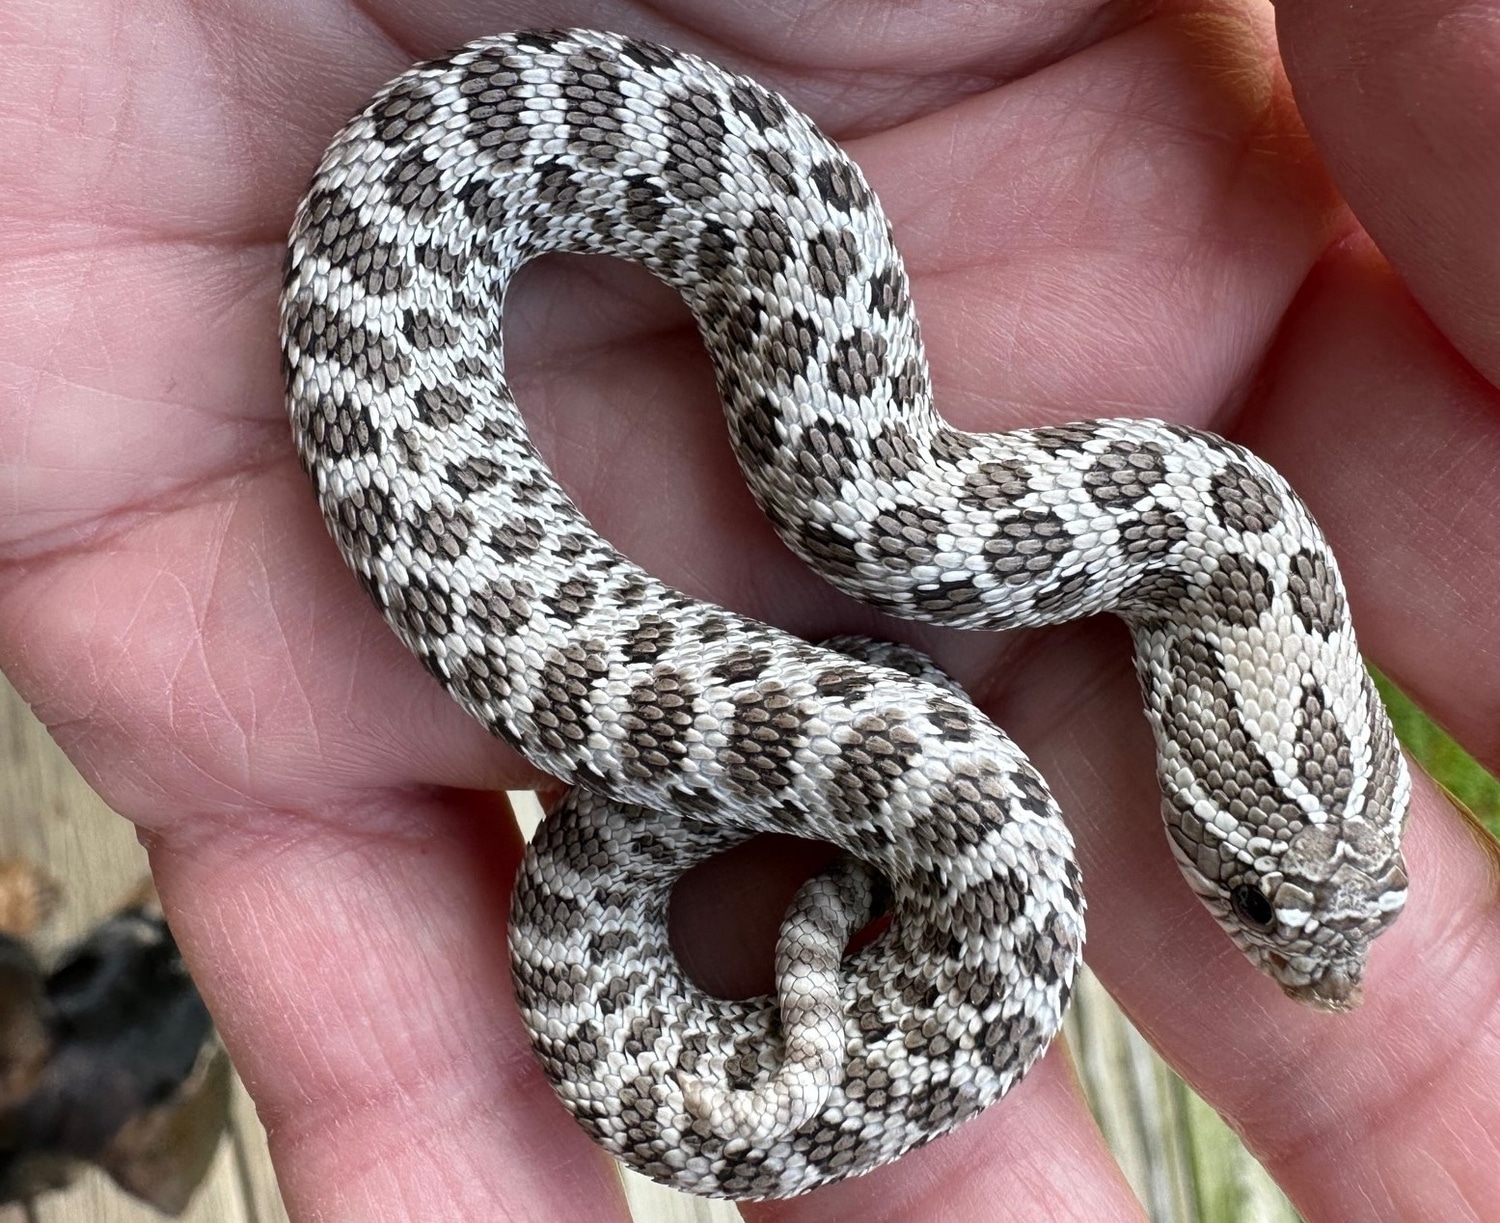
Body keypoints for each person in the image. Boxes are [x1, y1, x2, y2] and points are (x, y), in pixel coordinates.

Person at [1, 1, 1496, 1218]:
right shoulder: (1147, 524)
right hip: (410, 194)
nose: (1307, 959)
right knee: (877, 541)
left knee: (880, 565)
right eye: (1267, 898)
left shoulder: (1200, 530)